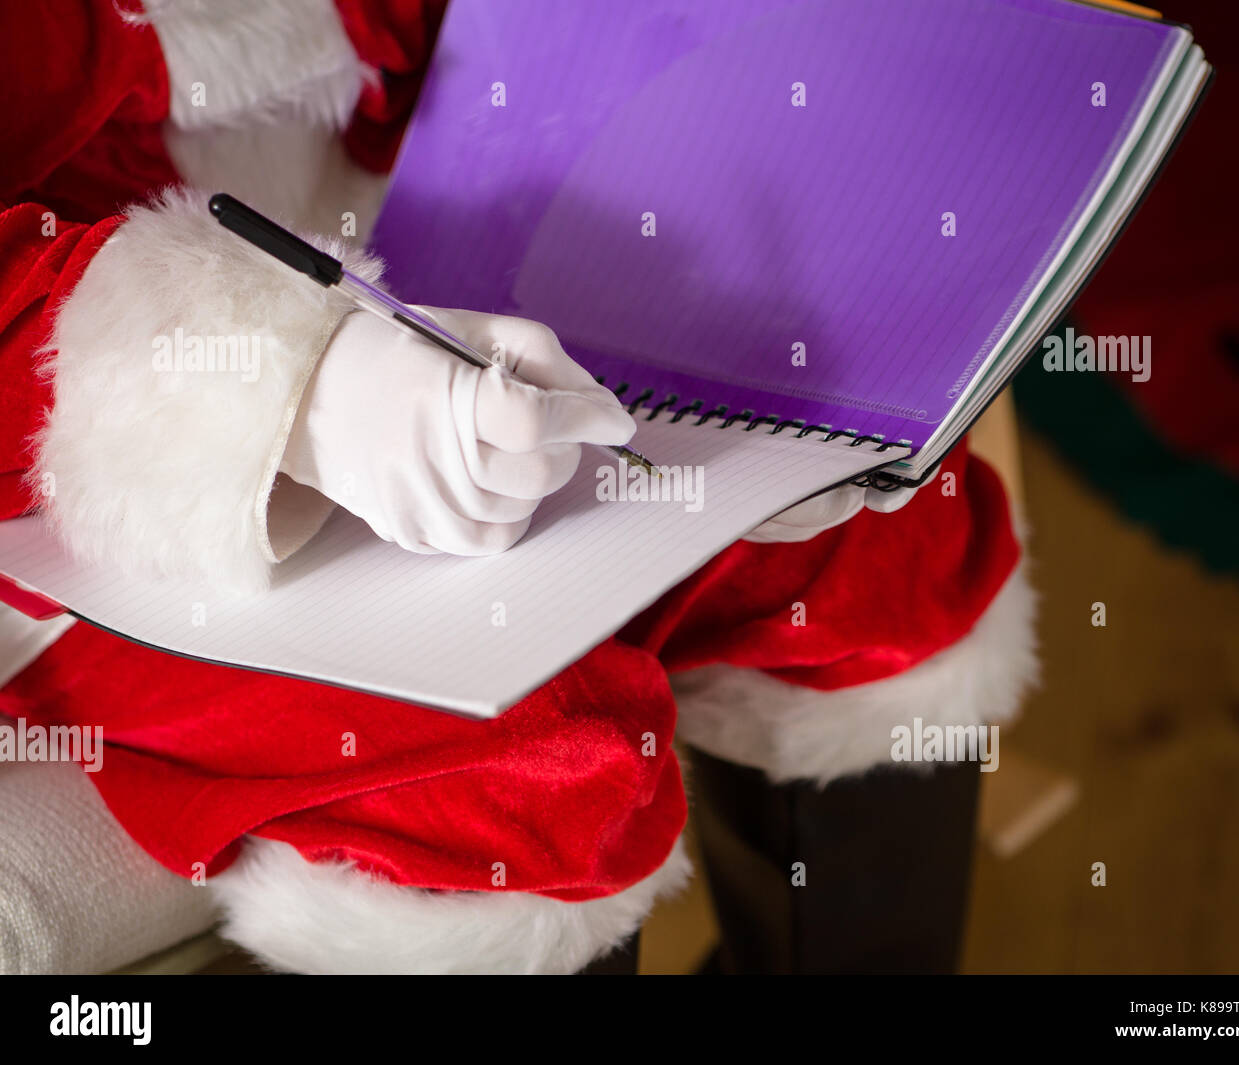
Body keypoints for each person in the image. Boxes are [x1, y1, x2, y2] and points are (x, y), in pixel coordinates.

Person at [0, 0, 1034, 973]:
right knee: (528, 767)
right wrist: (286, 384)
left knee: (879, 559)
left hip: (437, 291)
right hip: (78, 472)